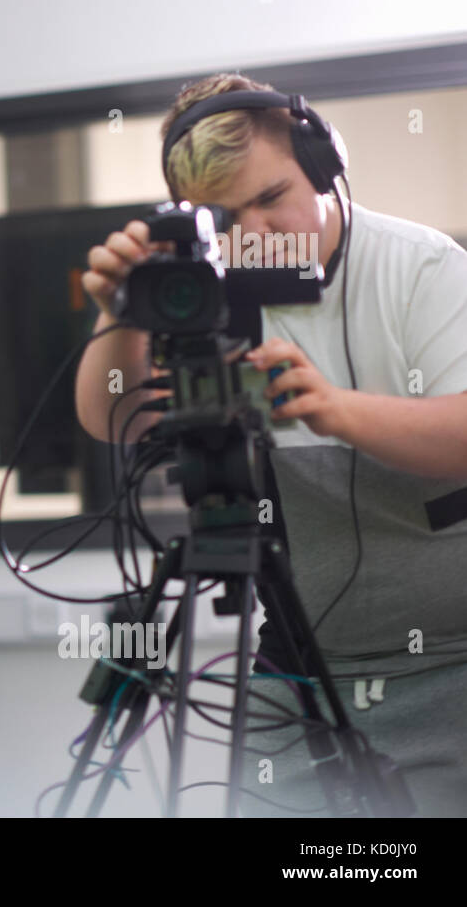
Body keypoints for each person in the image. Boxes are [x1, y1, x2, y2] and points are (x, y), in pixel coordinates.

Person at [73, 72, 467, 816]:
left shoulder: (420, 267)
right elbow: (109, 416)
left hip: (454, 659)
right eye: (224, 215)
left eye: (270, 197)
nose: (252, 232)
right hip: (300, 664)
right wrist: (118, 312)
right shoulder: (204, 282)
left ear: (323, 169)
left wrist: (336, 410)